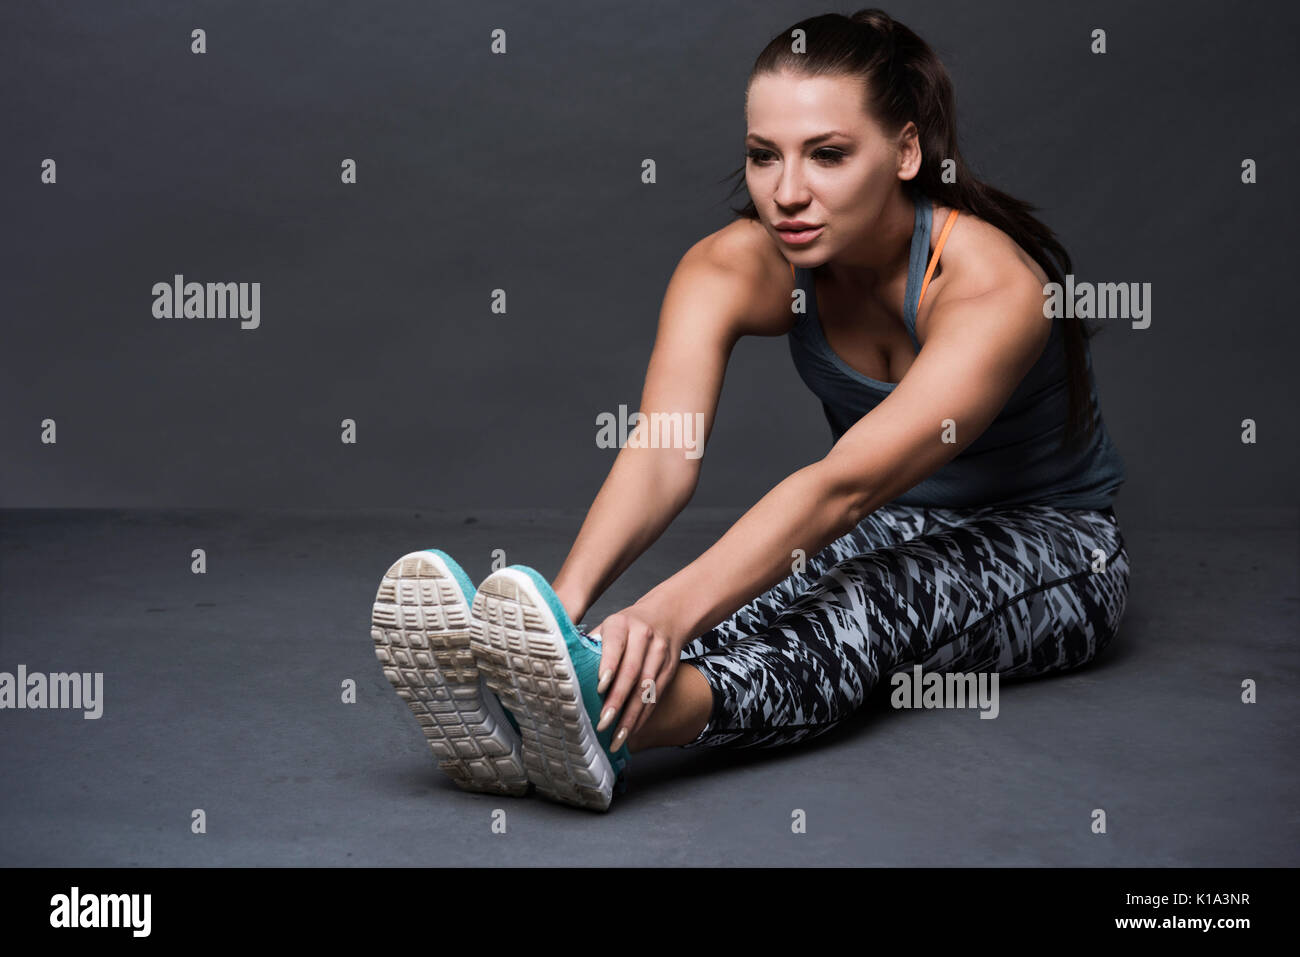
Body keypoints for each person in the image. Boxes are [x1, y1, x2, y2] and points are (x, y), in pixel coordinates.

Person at [372, 9, 1130, 812]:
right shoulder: (732, 265)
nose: (786, 193)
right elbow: (663, 452)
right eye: (764, 155)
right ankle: (559, 675)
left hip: (1057, 543)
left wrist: (665, 610)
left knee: (860, 603)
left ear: (906, 152)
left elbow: (844, 486)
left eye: (828, 155)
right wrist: (560, 605)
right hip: (894, 518)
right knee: (746, 600)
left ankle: (626, 719)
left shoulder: (991, 287)